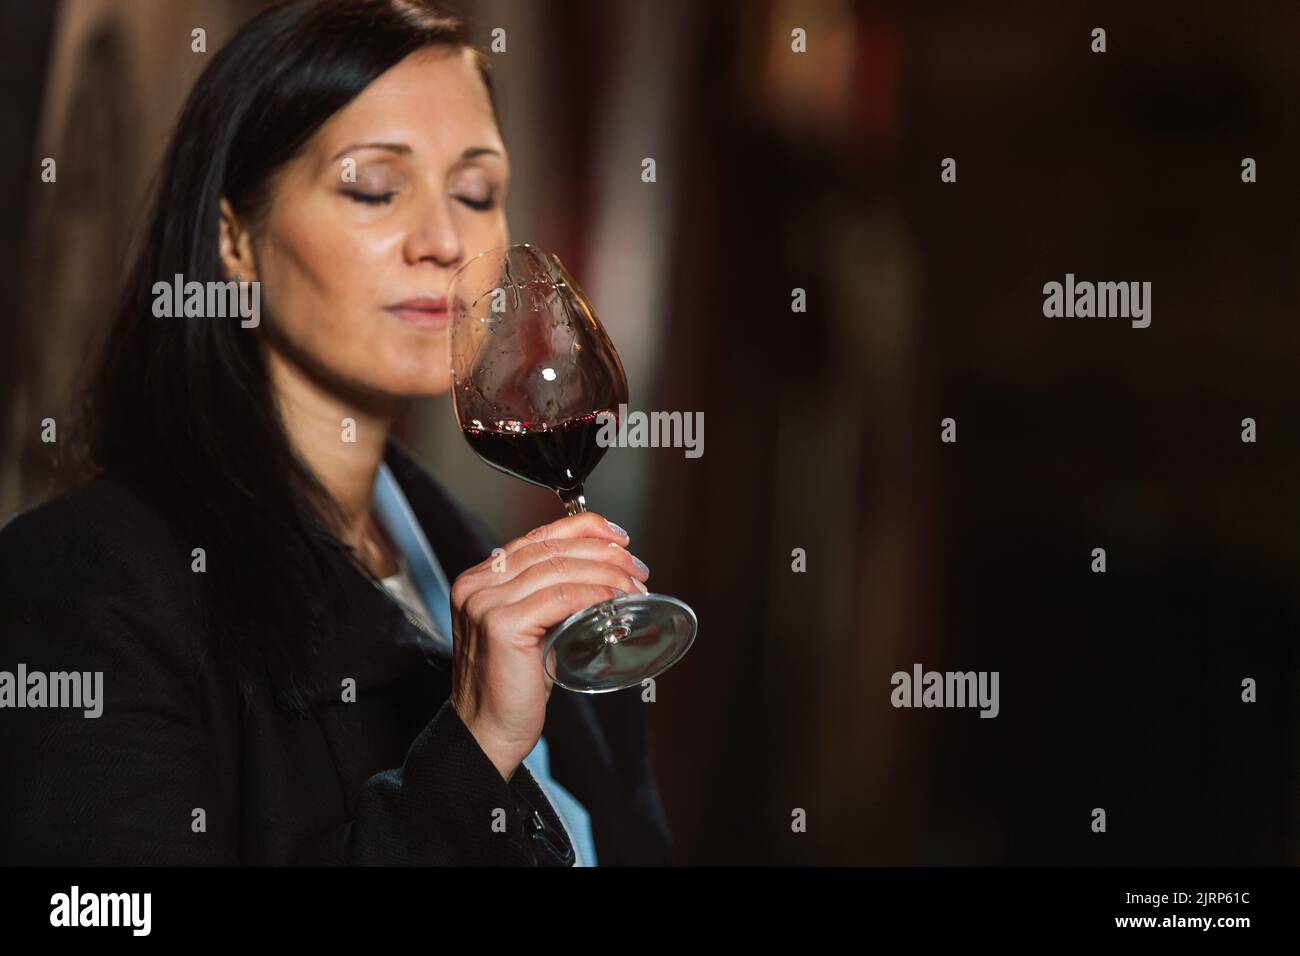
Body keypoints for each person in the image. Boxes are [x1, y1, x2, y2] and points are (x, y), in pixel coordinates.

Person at [0, 0, 671, 866]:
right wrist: (468, 756)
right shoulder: (89, 586)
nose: (442, 240)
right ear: (234, 239)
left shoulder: (498, 581)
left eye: (477, 193)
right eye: (372, 187)